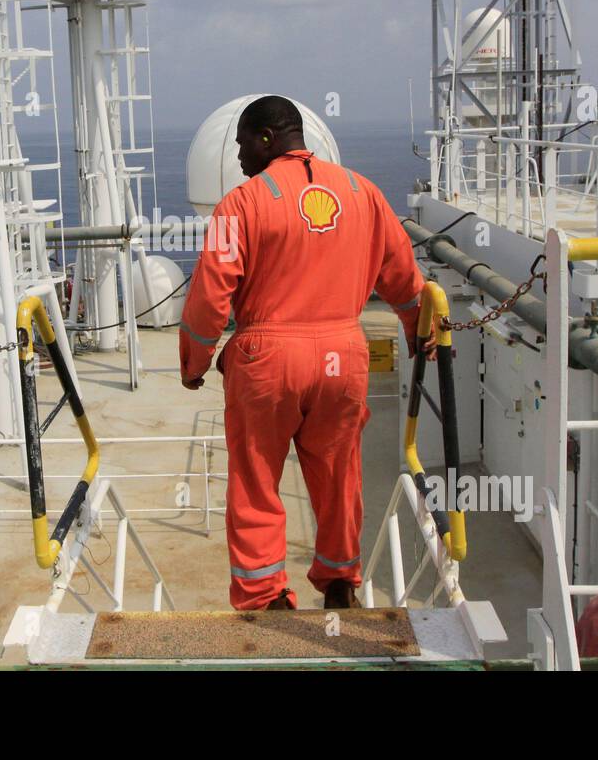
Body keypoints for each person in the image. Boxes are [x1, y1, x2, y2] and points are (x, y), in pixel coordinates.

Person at [179, 95, 432, 611]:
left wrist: (195, 362)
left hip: (267, 359)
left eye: (243, 143)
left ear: (267, 137)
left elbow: (210, 296)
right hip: (344, 356)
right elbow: (404, 277)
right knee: (340, 476)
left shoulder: (242, 204)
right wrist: (417, 329)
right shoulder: (365, 192)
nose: (240, 157)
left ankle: (266, 595)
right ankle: (340, 584)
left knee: (254, 481)